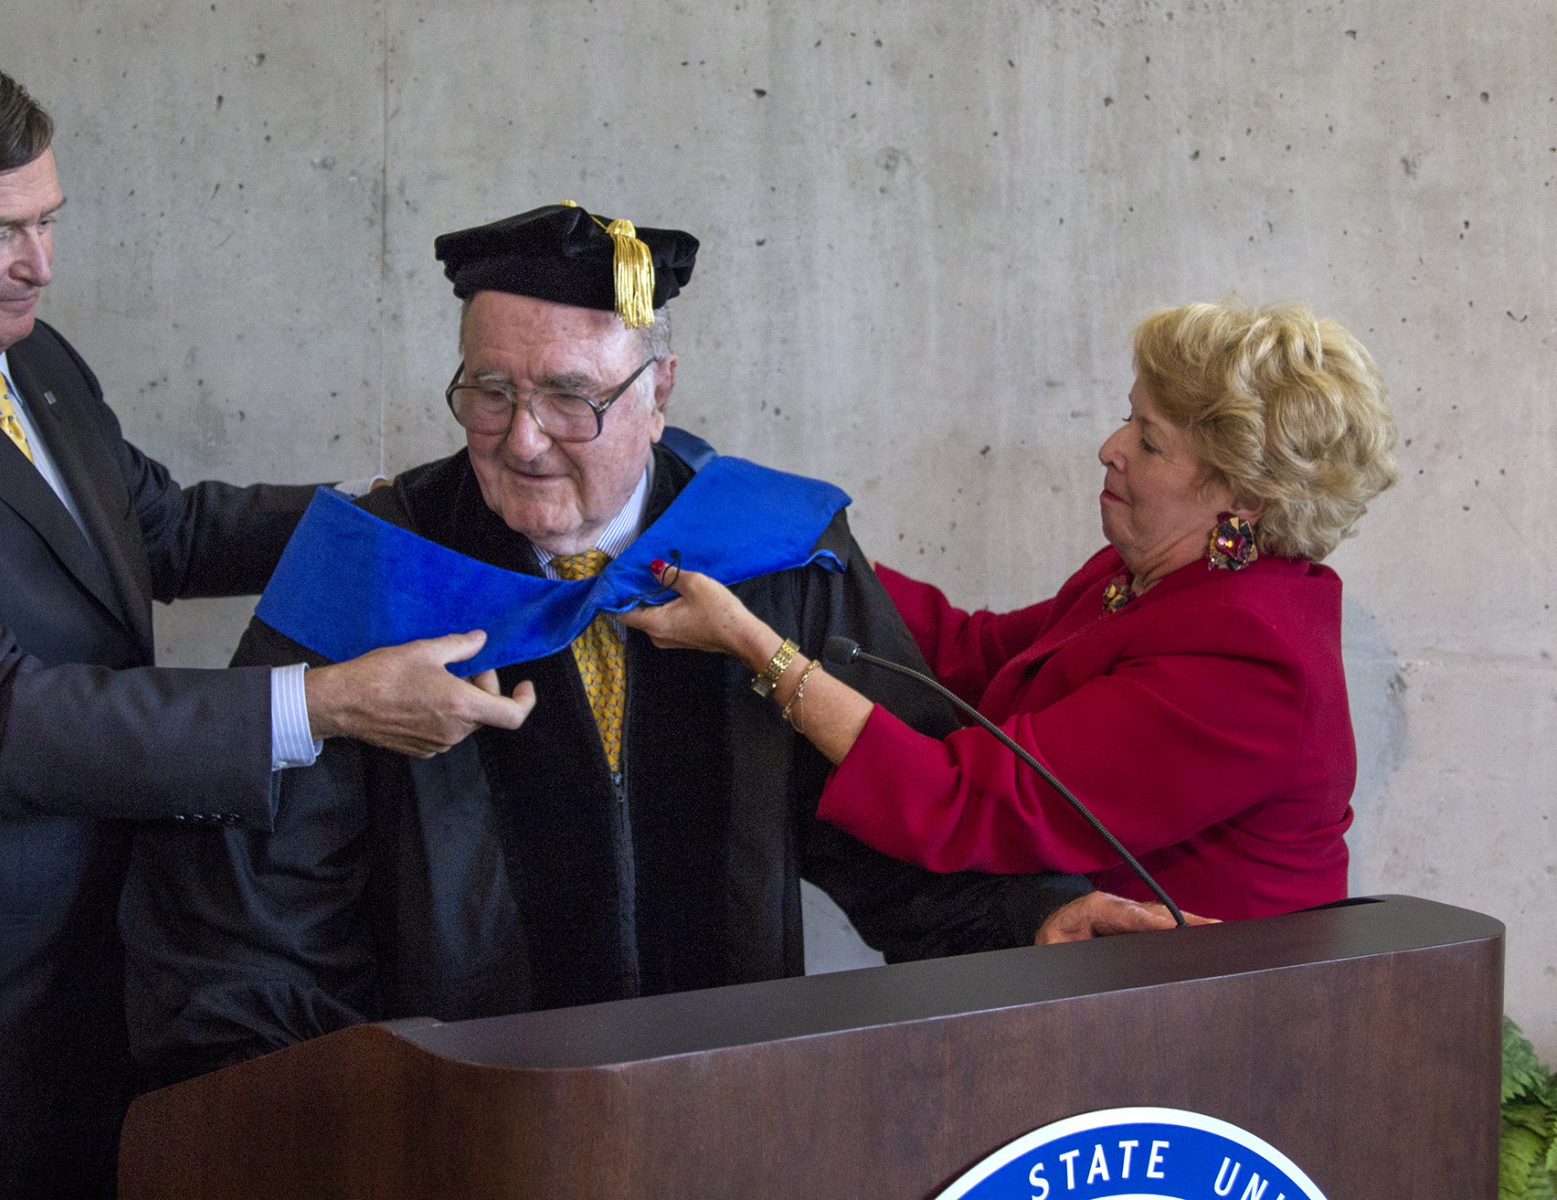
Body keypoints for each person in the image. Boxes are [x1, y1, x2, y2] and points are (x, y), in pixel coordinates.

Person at [0, 34, 532, 1200]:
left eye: (48, 221)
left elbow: (166, 529)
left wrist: (423, 503)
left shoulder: (26, 357)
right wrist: (324, 706)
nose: (39, 266)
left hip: (91, 1002)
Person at [121, 203, 1182, 1087]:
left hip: (718, 1110)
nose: (522, 438)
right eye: (489, 392)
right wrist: (326, 1115)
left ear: (658, 390)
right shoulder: (373, 572)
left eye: (569, 398)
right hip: (453, 1128)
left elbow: (882, 818)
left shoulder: (768, 552)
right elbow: (256, 914)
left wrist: (1030, 915)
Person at [626, 300, 1398, 922]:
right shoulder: (1149, 574)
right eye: (1126, 417)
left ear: (1243, 497)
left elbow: (972, 801)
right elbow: (971, 656)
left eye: (1149, 441)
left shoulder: (1248, 659)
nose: (1109, 446)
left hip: (1195, 1020)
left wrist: (761, 651)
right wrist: (800, 551)